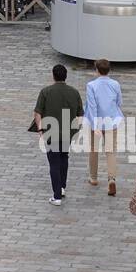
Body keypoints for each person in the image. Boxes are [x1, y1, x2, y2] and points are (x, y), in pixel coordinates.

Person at [33, 64, 82, 206]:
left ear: (53, 75)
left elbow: (38, 113)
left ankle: (56, 196)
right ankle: (62, 187)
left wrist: (40, 129)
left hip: (51, 132)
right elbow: (80, 114)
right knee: (63, 157)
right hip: (68, 133)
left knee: (53, 162)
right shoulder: (74, 92)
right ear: (65, 76)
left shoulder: (45, 92)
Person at [84, 59, 123, 197]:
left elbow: (92, 106)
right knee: (111, 151)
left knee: (93, 150)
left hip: (97, 122)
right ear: (109, 70)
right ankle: (111, 179)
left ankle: (93, 178)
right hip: (111, 121)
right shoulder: (115, 84)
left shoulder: (91, 85)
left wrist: (95, 126)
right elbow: (119, 102)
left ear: (96, 70)